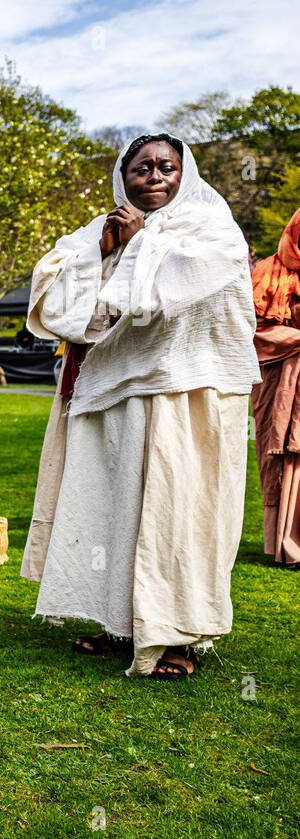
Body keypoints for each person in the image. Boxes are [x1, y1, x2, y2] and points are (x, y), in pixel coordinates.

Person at [21, 133, 260, 679]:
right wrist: (106, 250)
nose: (154, 177)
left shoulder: (212, 226)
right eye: (141, 168)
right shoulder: (100, 229)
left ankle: (177, 634)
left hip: (188, 390)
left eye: (166, 167)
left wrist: (139, 243)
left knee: (178, 513)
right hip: (118, 389)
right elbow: (56, 290)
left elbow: (181, 287)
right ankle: (117, 623)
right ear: (122, 177)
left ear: (185, 174)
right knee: (114, 510)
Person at [249, 206, 300, 569]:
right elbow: (251, 332)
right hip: (277, 381)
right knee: (281, 458)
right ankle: (286, 542)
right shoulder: (266, 273)